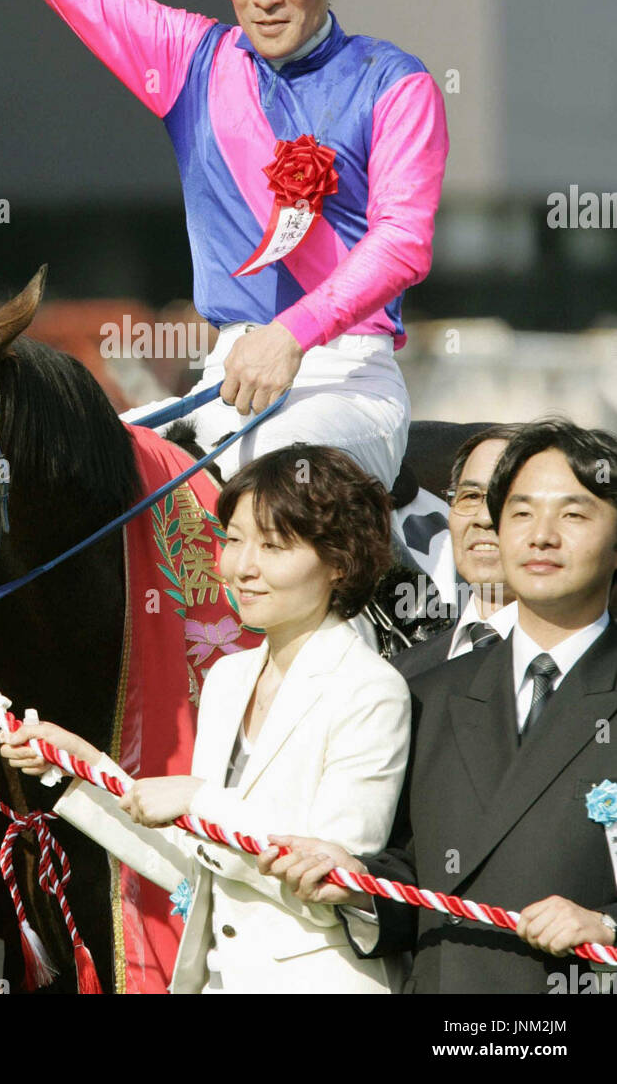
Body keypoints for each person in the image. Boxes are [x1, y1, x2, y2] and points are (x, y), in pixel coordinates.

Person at [0, 0, 449, 488]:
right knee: (62, 482)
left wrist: (291, 334)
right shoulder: (191, 60)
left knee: (264, 481)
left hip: (347, 381)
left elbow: (402, 243)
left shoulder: (395, 84)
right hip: (226, 373)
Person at [0, 444, 411, 993]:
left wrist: (198, 799)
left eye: (274, 546)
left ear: (340, 563)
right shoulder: (228, 677)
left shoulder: (371, 689)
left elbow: (326, 883)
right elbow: (195, 865)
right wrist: (84, 768)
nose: (243, 568)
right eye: (234, 540)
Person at [258, 418, 617, 994]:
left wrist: (607, 927)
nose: (541, 536)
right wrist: (359, 885)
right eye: (521, 513)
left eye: (573, 515)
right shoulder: (429, 692)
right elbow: (415, 868)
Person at [394, 425, 519, 679]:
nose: (484, 518)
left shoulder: (585, 665)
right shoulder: (404, 674)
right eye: (470, 496)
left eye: (509, 498)